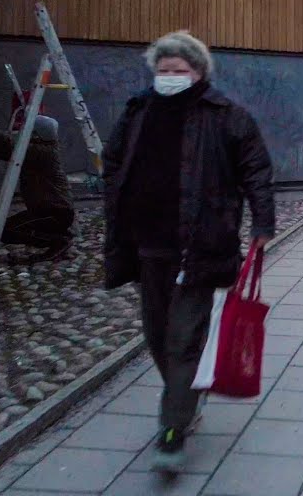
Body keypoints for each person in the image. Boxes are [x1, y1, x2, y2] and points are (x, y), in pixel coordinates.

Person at [102, 30, 275, 474]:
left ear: (198, 73)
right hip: (146, 247)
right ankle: (187, 397)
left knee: (183, 341)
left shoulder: (226, 116)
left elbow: (256, 169)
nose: (170, 77)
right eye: (163, 70)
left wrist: (261, 224)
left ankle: (172, 431)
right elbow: (114, 160)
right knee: (156, 336)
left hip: (199, 248)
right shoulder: (139, 111)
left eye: (179, 71)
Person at [0, 115, 75, 261]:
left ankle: (57, 241)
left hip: (54, 213)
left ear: (36, 134)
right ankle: (58, 235)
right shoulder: (43, 149)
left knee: (5, 231)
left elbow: (5, 146)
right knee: (7, 228)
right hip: (52, 211)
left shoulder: (40, 152)